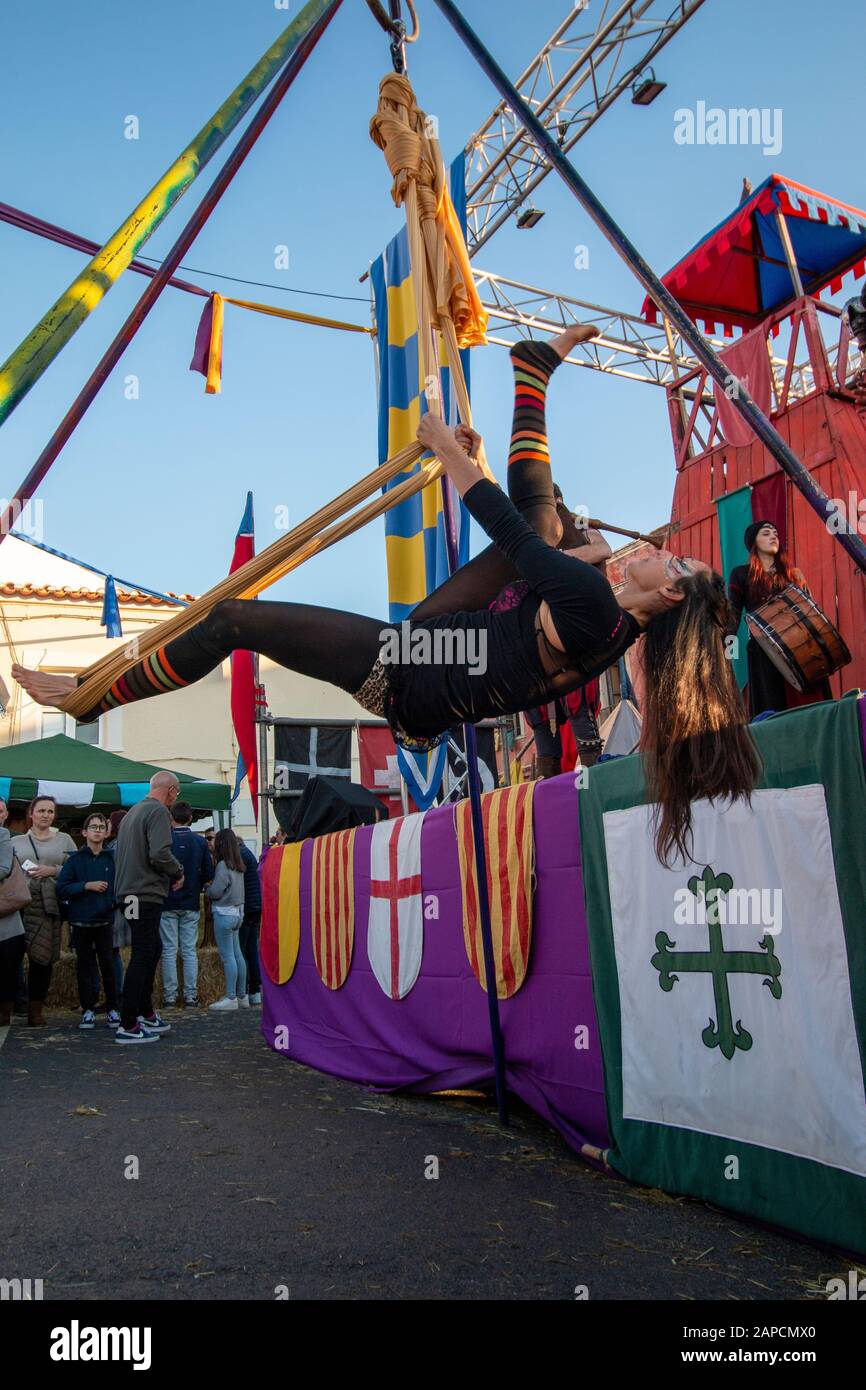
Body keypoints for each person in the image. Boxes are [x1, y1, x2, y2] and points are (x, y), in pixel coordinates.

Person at [13, 327, 759, 866]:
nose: (663, 553)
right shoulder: (614, 624)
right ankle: (530, 375)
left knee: (235, 619)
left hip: (407, 671)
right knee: (540, 524)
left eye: (676, 566)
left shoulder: (598, 608)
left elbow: (503, 522)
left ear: (666, 601)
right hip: (448, 653)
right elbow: (535, 541)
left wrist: (443, 448)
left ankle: (88, 702)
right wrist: (579, 548)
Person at [727, 520, 832, 719]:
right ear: (753, 543)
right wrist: (727, 645)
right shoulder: (741, 574)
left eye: (775, 533)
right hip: (764, 649)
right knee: (773, 712)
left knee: (812, 707)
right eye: (766, 533)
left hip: (800, 648)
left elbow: (810, 612)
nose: (773, 536)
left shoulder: (794, 575)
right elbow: (733, 614)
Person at [113, 772, 183, 1044]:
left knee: (150, 949)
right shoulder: (158, 812)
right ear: (172, 791)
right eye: (176, 793)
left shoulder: (133, 813)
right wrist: (178, 872)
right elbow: (159, 853)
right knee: (145, 952)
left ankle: (144, 1012)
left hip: (128, 893)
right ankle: (128, 1023)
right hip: (145, 892)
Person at [11, 796, 77, 1026]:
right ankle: (7, 1007)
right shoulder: (16, 841)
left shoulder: (65, 840)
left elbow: (75, 869)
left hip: (49, 905)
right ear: (31, 813)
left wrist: (53, 870)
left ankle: (35, 1010)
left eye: (50, 811)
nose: (45, 815)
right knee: (10, 959)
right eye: (41, 811)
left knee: (42, 959)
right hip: (19, 905)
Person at [56, 813, 120, 1030]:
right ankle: (88, 1009)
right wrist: (85, 886)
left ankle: (113, 1008)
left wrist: (114, 904)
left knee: (109, 966)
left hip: (105, 920)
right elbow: (61, 888)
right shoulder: (75, 860)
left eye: (101, 827)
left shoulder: (112, 859)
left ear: (106, 831)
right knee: (84, 967)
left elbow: (120, 887)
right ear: (84, 832)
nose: (97, 830)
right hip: (81, 921)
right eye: (93, 827)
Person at [159, 801, 214, 1008]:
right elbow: (208, 873)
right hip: (190, 900)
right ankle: (191, 995)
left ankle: (169, 996)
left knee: (169, 949)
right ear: (190, 818)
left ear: (171, 818)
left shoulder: (165, 840)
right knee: (189, 950)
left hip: (167, 900)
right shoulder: (199, 842)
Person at [205, 829, 246, 1011]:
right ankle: (242, 995)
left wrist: (208, 889)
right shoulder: (238, 864)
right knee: (238, 955)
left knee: (228, 956)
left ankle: (230, 997)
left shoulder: (223, 865)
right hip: (238, 913)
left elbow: (216, 891)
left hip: (224, 913)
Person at [0, 798, 26, 1027]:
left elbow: (3, 868)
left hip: (5, 916)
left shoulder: (3, 836)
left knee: (7, 968)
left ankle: (6, 1011)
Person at [238, 837, 262, 1006]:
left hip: (246, 907)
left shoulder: (239, 856)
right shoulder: (250, 855)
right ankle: (255, 990)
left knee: (241, 950)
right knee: (252, 950)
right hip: (256, 905)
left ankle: (243, 991)